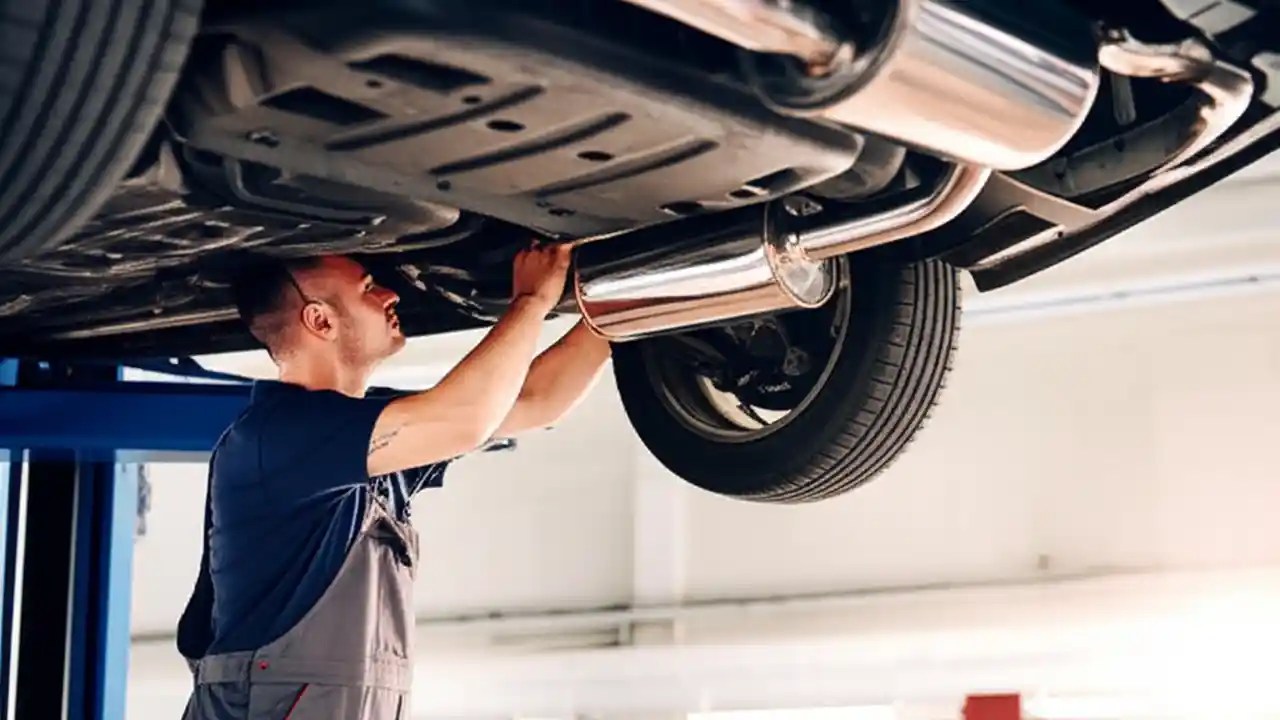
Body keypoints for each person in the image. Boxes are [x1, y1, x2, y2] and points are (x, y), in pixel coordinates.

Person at [175, 242, 611, 719]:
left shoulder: (352, 437)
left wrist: (629, 306)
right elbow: (466, 418)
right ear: (320, 321)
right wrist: (530, 302)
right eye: (368, 289)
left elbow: (533, 399)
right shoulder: (276, 437)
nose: (390, 295)